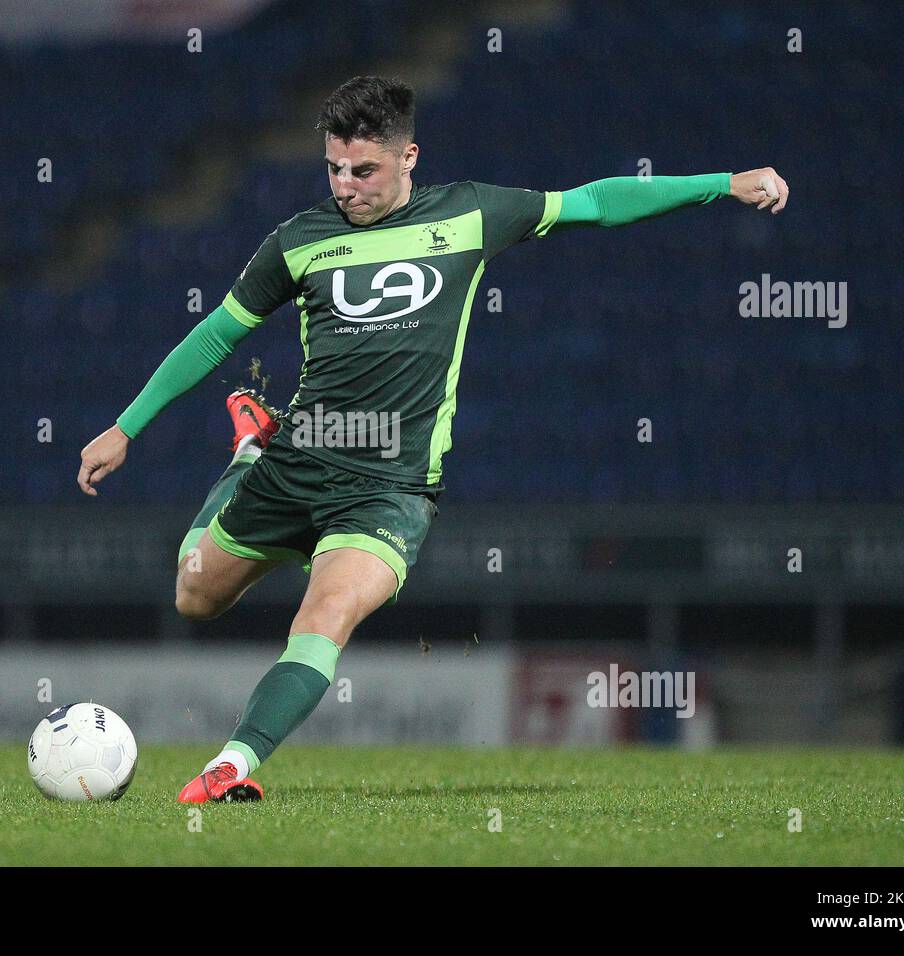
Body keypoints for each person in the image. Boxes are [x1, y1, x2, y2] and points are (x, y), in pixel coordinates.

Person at [77, 75, 789, 802]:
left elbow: (597, 202)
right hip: (297, 465)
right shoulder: (297, 242)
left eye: (364, 170)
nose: (346, 186)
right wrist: (125, 426)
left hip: (390, 488)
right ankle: (249, 453)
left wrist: (723, 183)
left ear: (408, 157)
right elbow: (213, 337)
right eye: (334, 169)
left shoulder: (473, 213)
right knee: (194, 595)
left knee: (325, 615)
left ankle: (232, 765)